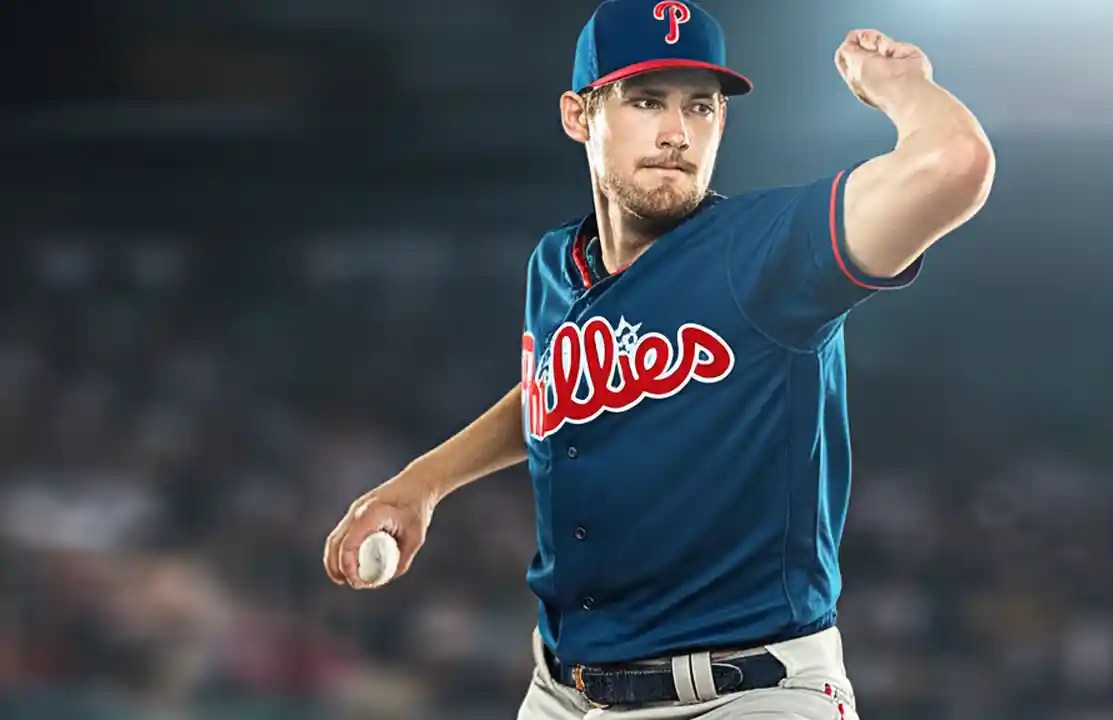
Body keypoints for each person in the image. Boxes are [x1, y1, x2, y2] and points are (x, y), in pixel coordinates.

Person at [323, 0, 994, 717]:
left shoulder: (766, 253)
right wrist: (422, 482)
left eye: (701, 108)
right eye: (646, 101)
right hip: (562, 692)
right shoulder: (554, 265)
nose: (678, 133)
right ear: (579, 116)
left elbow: (954, 164)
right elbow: (552, 390)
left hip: (745, 693)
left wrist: (901, 85)